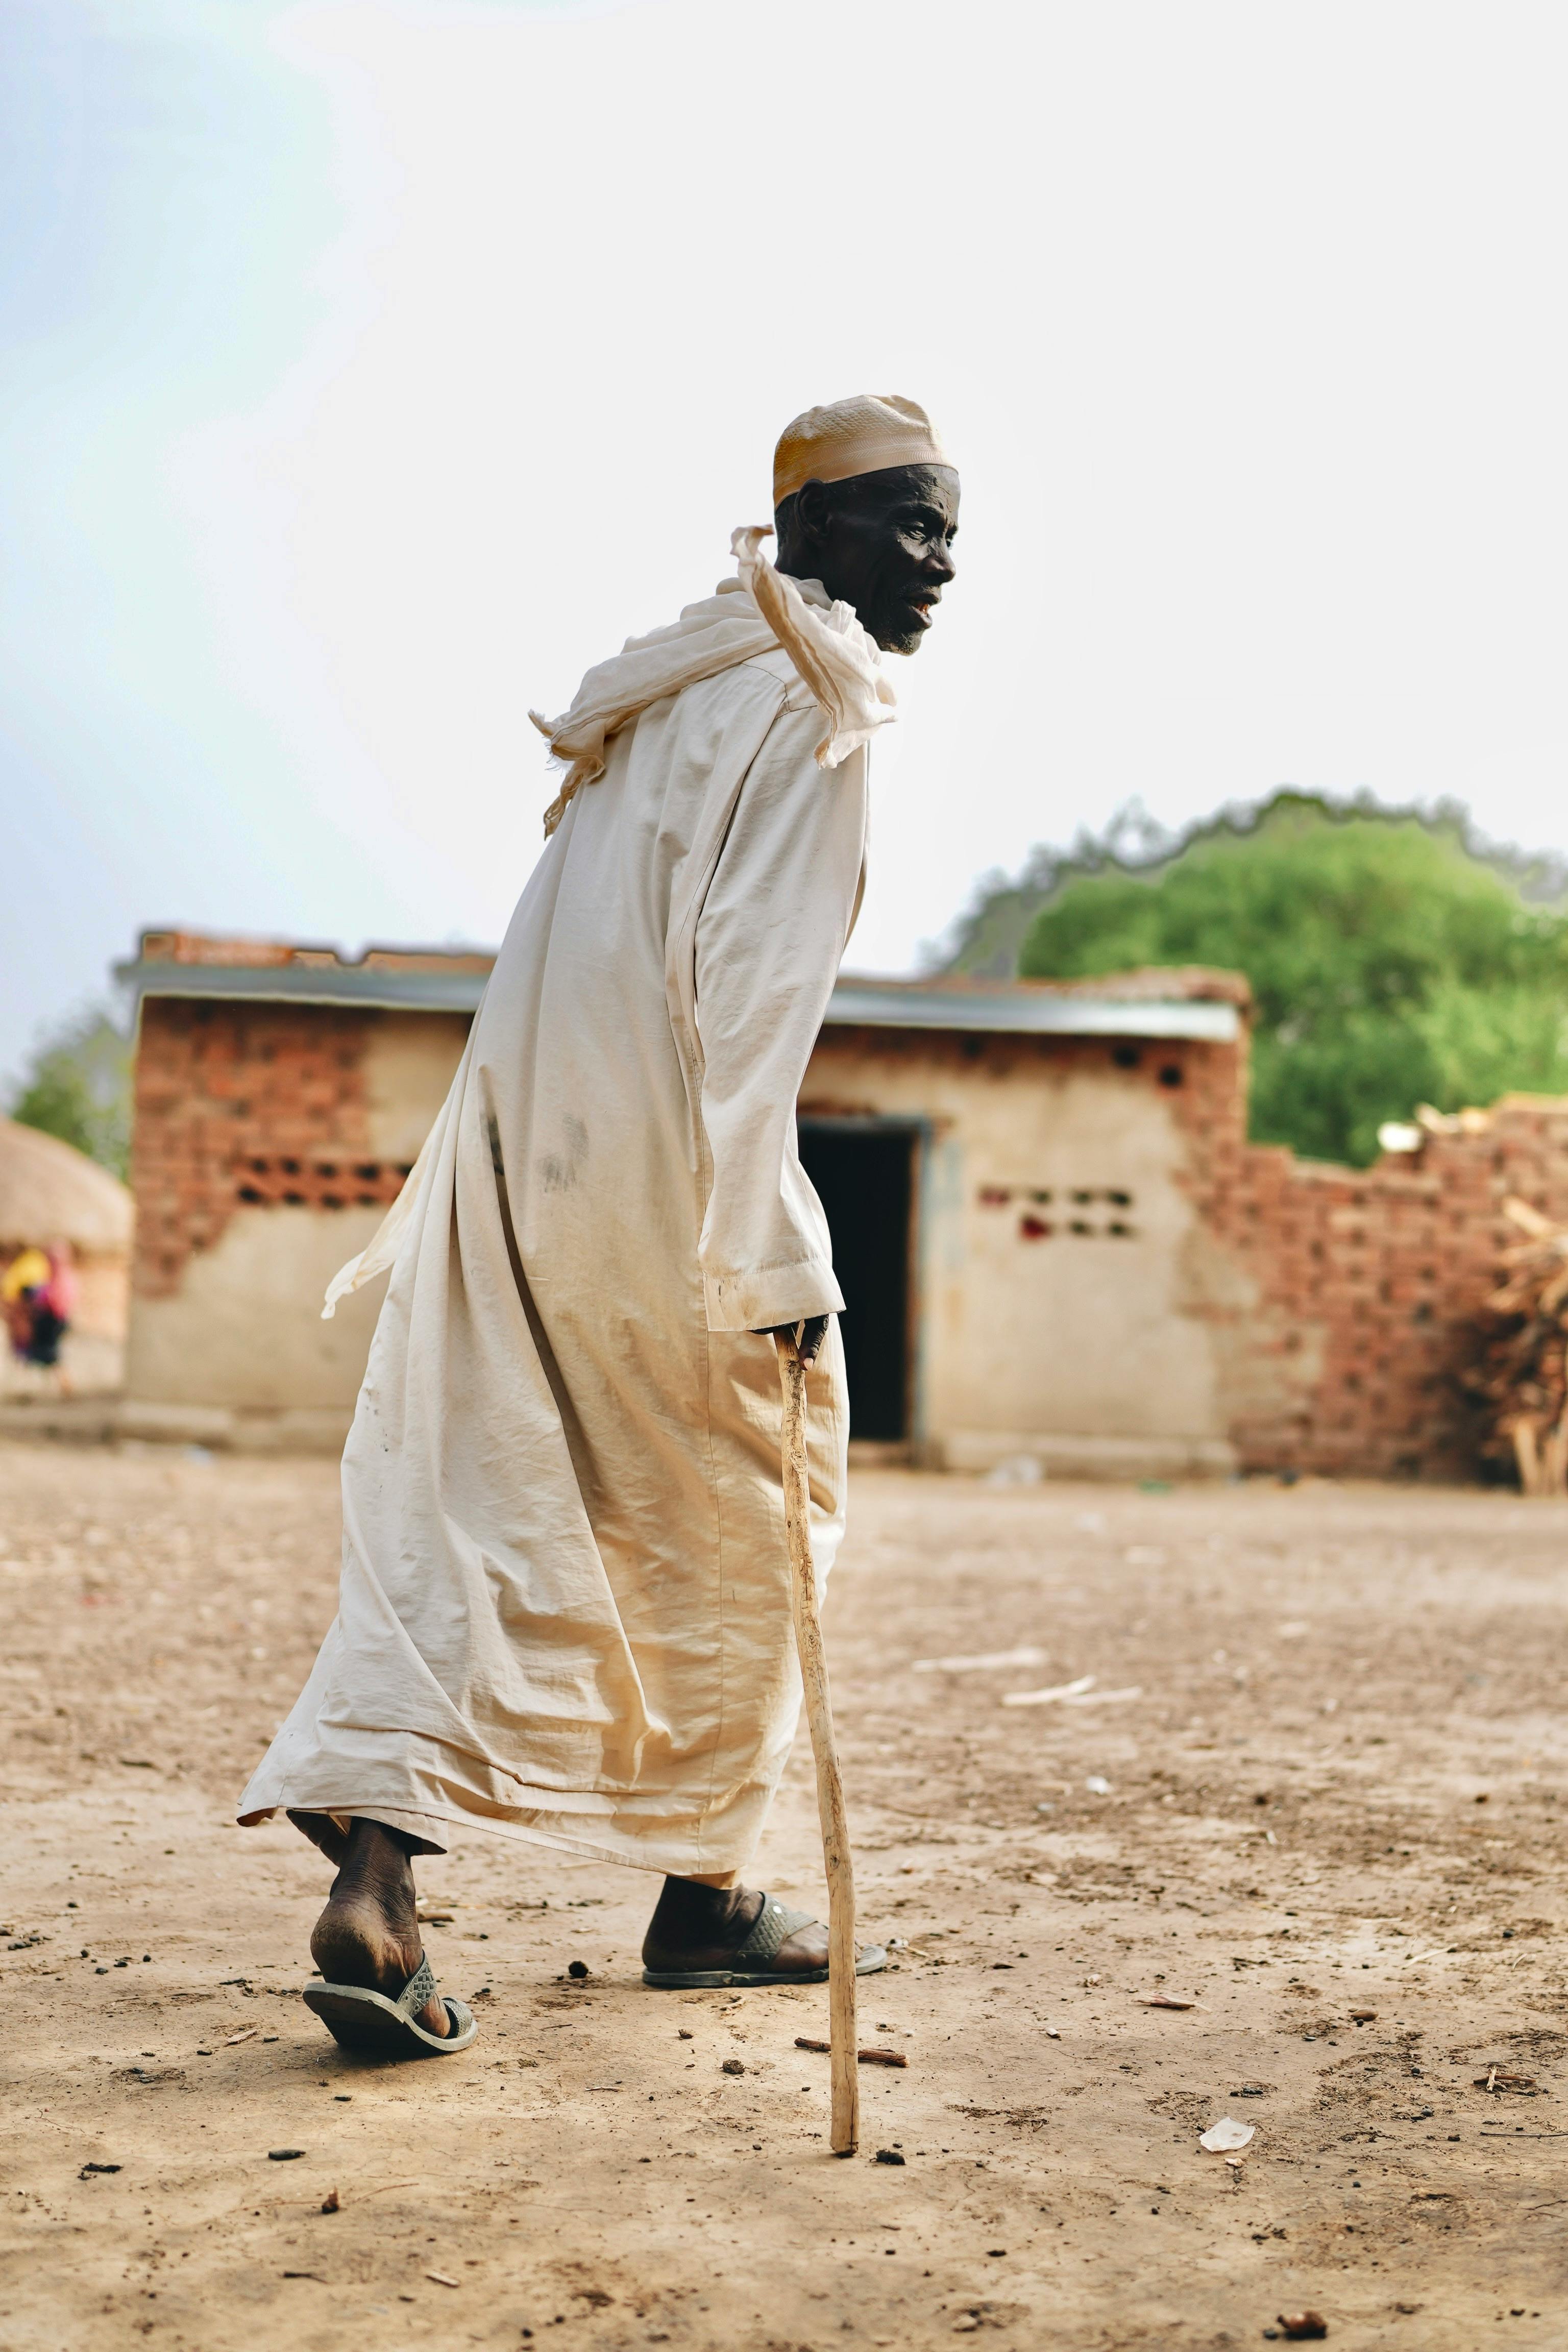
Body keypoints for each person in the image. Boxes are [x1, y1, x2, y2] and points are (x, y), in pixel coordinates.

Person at [238, 395, 960, 2055]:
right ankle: (705, 1900)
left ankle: (378, 1870)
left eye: (950, 533)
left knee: (483, 1501)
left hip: (517, 1155)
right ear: (812, 527)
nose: (938, 566)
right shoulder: (814, 697)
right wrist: (758, 1243)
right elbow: (753, 997)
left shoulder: (680, 683)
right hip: (664, 1181)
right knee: (768, 1503)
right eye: (909, 525)